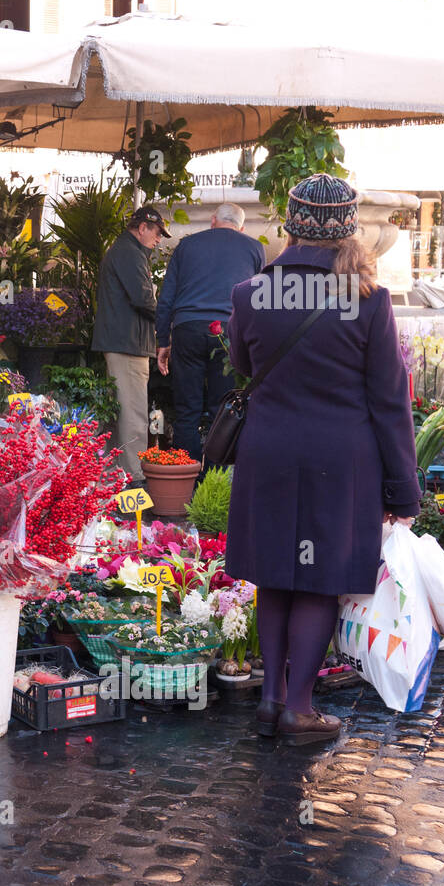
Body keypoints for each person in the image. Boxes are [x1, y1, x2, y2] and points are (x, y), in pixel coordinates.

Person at [225, 174, 419, 744]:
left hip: (268, 452)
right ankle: (300, 708)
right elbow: (390, 401)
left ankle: (269, 701)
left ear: (292, 223)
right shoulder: (367, 300)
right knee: (317, 581)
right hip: (341, 460)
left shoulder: (250, 293)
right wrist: (403, 492)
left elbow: (243, 364)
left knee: (274, 575)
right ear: (347, 230)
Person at [155, 203, 265, 462]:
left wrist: (162, 341)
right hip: (229, 331)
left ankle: (185, 477)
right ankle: (216, 479)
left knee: (186, 409)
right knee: (224, 408)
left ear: (213, 220)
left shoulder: (187, 246)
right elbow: (261, 301)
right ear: (241, 227)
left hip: (187, 328)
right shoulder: (254, 248)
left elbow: (166, 297)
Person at [91, 205, 169, 484]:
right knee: (134, 411)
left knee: (122, 410)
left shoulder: (127, 251)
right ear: (142, 227)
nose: (159, 239)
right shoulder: (129, 253)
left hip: (124, 341)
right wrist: (165, 315)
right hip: (128, 343)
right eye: (157, 232)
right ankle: (135, 478)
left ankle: (116, 474)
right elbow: (143, 299)